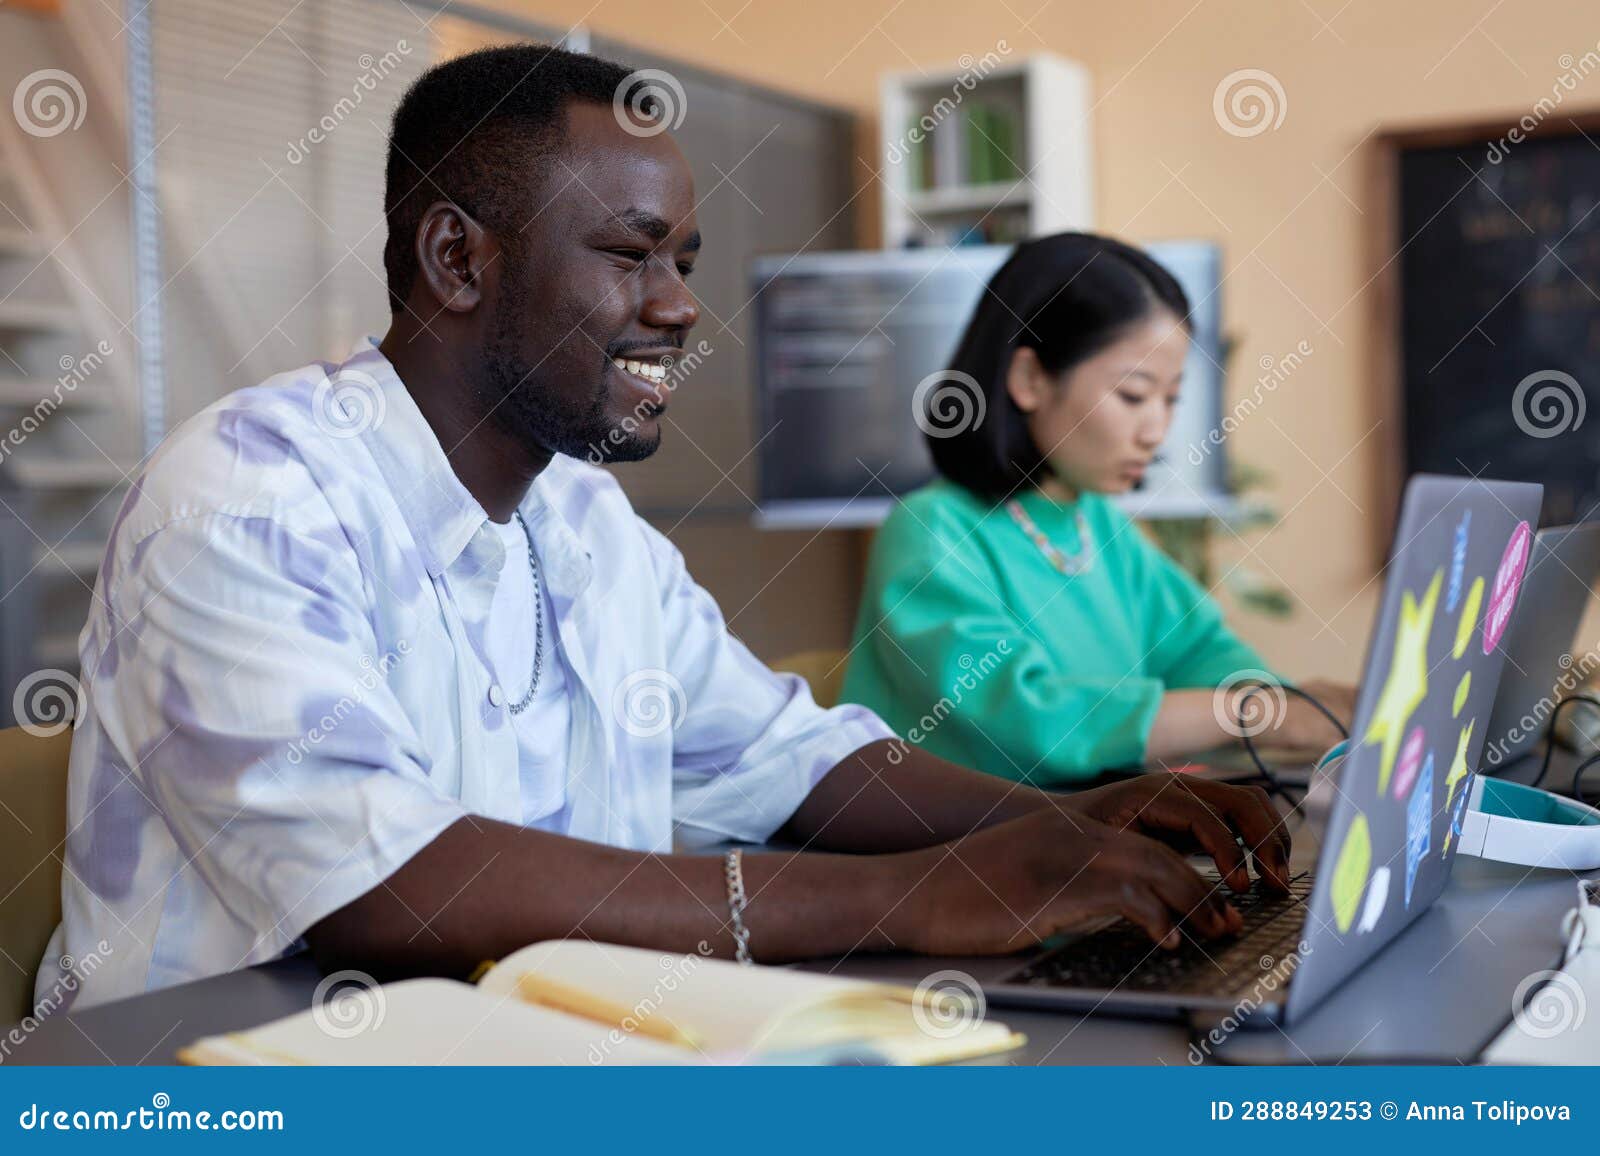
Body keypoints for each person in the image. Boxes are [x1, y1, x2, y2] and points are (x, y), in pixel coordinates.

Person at [40, 48, 1289, 1011]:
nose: (682, 305)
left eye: (683, 257)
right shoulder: (246, 495)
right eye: (634, 254)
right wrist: (914, 894)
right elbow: (388, 884)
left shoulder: (583, 514)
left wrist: (1066, 827)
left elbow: (788, 757)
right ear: (455, 260)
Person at [842, 233, 1354, 785]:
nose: (1155, 432)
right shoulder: (930, 532)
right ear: (1029, 379)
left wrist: (1299, 708)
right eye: (1134, 395)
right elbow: (1028, 722)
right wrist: (1250, 714)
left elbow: (1204, 654)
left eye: (1171, 398)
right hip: (958, 861)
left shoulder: (1102, 528)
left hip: (1085, 850)